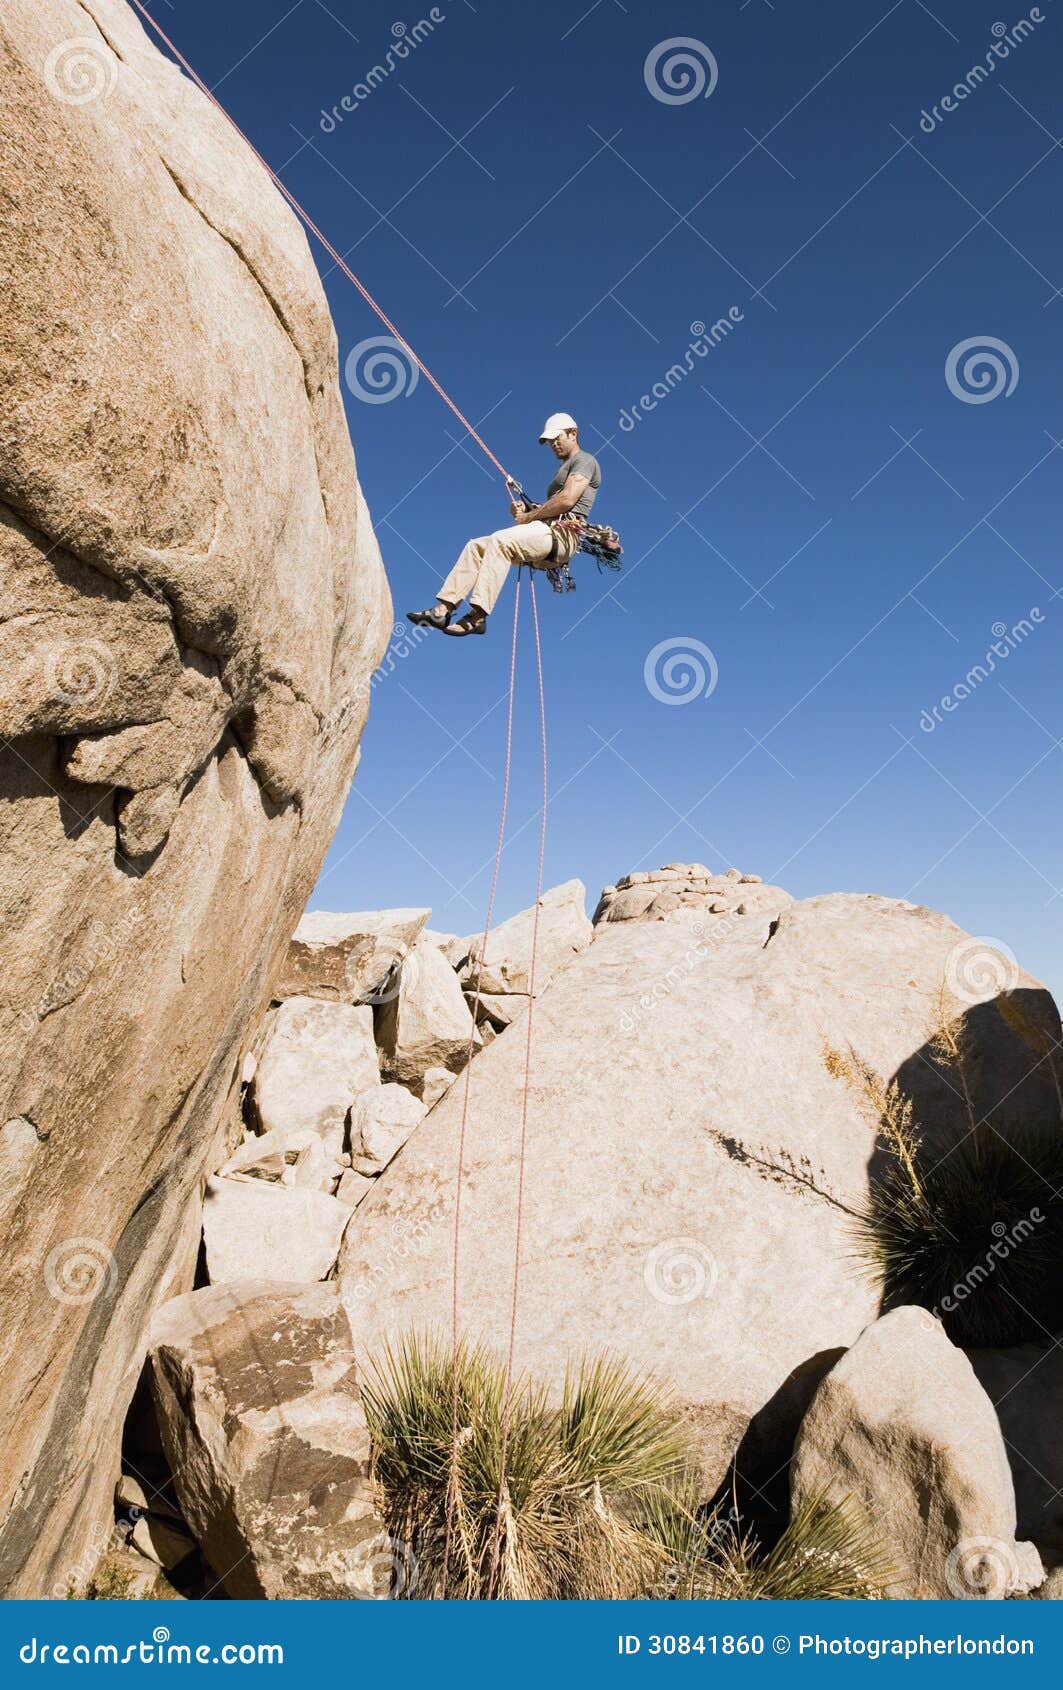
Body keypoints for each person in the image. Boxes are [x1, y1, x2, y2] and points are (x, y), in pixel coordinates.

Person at [408, 413, 601, 637]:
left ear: (573, 433)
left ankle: (478, 616)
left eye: (557, 438)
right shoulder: (565, 468)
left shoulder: (585, 460)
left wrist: (528, 517)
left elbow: (568, 500)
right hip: (547, 531)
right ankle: (443, 609)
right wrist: (529, 512)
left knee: (500, 540)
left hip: (560, 536)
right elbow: (555, 505)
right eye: (549, 441)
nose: (553, 444)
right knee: (476, 547)